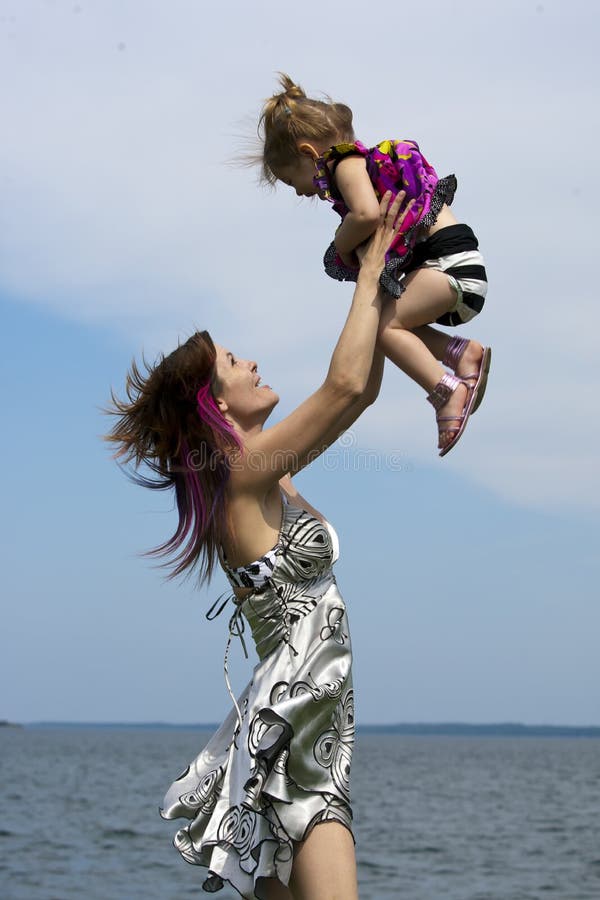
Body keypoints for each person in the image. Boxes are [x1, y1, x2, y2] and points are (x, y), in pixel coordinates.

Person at [105, 191, 409, 900]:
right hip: (301, 732)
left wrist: (385, 280)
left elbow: (357, 393)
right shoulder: (242, 475)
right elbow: (339, 384)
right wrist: (369, 277)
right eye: (235, 362)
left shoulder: (266, 476)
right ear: (214, 402)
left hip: (303, 722)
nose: (252, 364)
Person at [257, 73, 492, 457]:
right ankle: (462, 355)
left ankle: (445, 390)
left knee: (382, 328)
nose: (300, 191)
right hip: (448, 264)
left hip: (448, 264)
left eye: (290, 181)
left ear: (308, 153)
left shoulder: (345, 163)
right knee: (382, 325)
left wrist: (340, 243)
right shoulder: (361, 168)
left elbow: (366, 215)